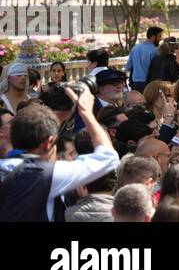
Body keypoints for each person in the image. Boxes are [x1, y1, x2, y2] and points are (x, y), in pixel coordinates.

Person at [0, 88, 119, 221]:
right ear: (49, 143)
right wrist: (86, 113)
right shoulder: (45, 174)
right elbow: (109, 158)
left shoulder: (5, 167)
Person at [126, 27, 163, 91]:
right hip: (148, 84)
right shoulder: (155, 51)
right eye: (159, 36)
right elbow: (156, 70)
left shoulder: (135, 48)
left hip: (134, 83)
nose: (160, 39)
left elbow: (128, 66)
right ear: (154, 36)